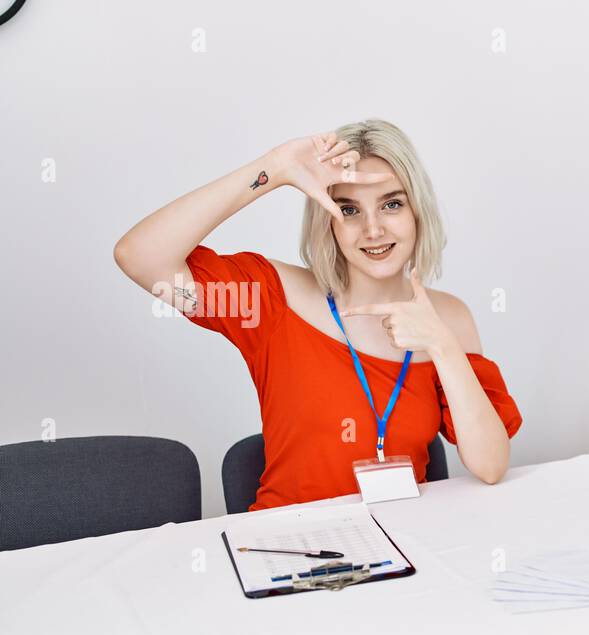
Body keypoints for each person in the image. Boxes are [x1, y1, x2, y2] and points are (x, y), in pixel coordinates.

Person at [113, 119, 522, 511]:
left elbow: (490, 466)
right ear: (326, 221)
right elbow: (140, 256)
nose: (373, 229)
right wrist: (274, 168)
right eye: (348, 210)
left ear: (418, 213)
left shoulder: (450, 316)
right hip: (293, 552)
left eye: (392, 204)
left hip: (405, 553)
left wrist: (442, 345)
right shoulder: (270, 299)